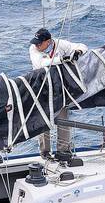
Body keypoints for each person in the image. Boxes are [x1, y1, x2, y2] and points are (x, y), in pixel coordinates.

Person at [28, 26, 88, 160]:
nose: (36, 45)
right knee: (43, 121)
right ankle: (45, 153)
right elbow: (40, 63)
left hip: (60, 88)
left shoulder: (61, 44)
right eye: (35, 43)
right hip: (42, 87)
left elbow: (83, 46)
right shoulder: (33, 49)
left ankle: (63, 151)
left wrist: (77, 52)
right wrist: (61, 60)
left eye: (39, 43)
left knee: (63, 120)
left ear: (48, 41)